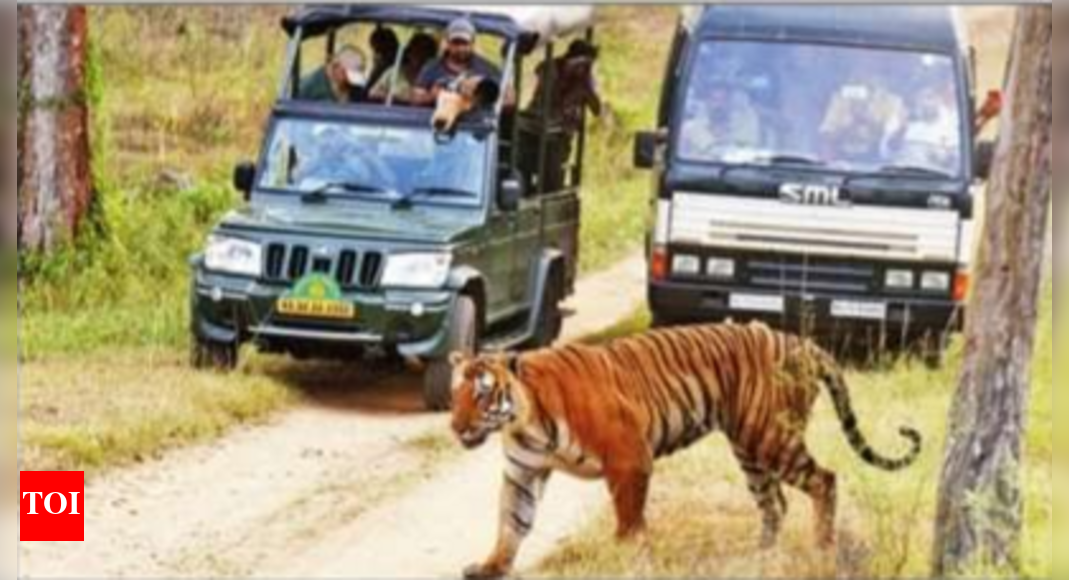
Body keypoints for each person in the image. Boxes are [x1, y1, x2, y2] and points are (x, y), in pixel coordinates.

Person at [523, 40, 604, 192]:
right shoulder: (550, 69)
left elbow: (597, 109)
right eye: (583, 64)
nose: (586, 68)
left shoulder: (584, 78)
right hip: (537, 126)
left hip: (561, 134)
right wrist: (568, 76)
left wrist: (586, 87)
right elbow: (549, 97)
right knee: (528, 161)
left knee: (553, 173)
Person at [820, 59, 907, 167]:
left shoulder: (892, 102)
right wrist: (850, 123)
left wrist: (868, 120)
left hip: (878, 161)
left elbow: (893, 141)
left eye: (869, 72)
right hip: (842, 159)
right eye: (857, 75)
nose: (862, 77)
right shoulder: (840, 99)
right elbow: (827, 136)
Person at [412, 17, 504, 107]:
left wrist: (478, 92)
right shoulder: (432, 67)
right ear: (448, 43)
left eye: (465, 43)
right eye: (456, 43)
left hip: (475, 121)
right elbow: (415, 98)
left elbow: (506, 101)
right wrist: (433, 96)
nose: (460, 48)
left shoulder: (487, 69)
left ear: (472, 44)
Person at [679, 78, 762, 159]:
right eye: (714, 100)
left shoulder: (743, 124)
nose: (719, 105)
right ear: (707, 102)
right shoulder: (693, 128)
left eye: (723, 100)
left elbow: (749, 151)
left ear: (730, 102)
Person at [369, 33, 439, 104]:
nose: (420, 57)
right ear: (409, 53)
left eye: (425, 53)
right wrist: (394, 98)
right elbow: (373, 94)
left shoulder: (437, 77)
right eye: (416, 51)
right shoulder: (394, 72)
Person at [298, 45, 370, 104]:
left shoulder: (355, 86)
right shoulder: (308, 87)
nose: (356, 79)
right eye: (351, 74)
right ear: (335, 67)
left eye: (361, 70)